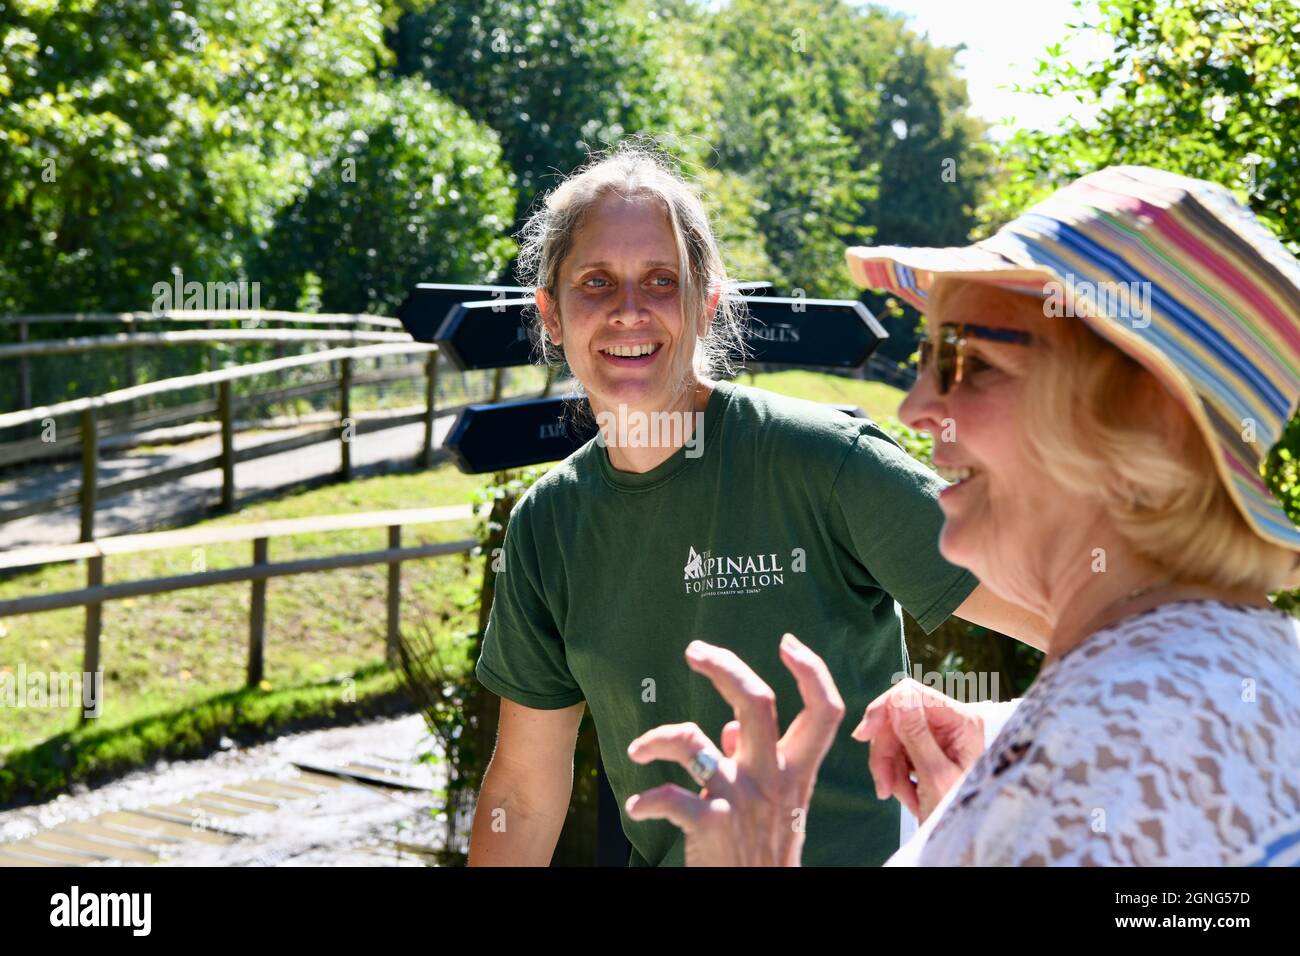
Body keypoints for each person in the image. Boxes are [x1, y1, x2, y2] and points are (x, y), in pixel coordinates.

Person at [625, 165, 1300, 866]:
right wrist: (1005, 738)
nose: (917, 407)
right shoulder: (1244, 677)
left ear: (1148, 420)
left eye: (968, 362)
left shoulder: (1087, 781)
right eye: (926, 356)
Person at [467, 145, 1041, 867]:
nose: (628, 311)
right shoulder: (547, 526)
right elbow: (521, 790)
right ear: (551, 314)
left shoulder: (823, 461)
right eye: (596, 282)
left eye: (660, 281)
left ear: (706, 305)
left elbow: (1079, 620)